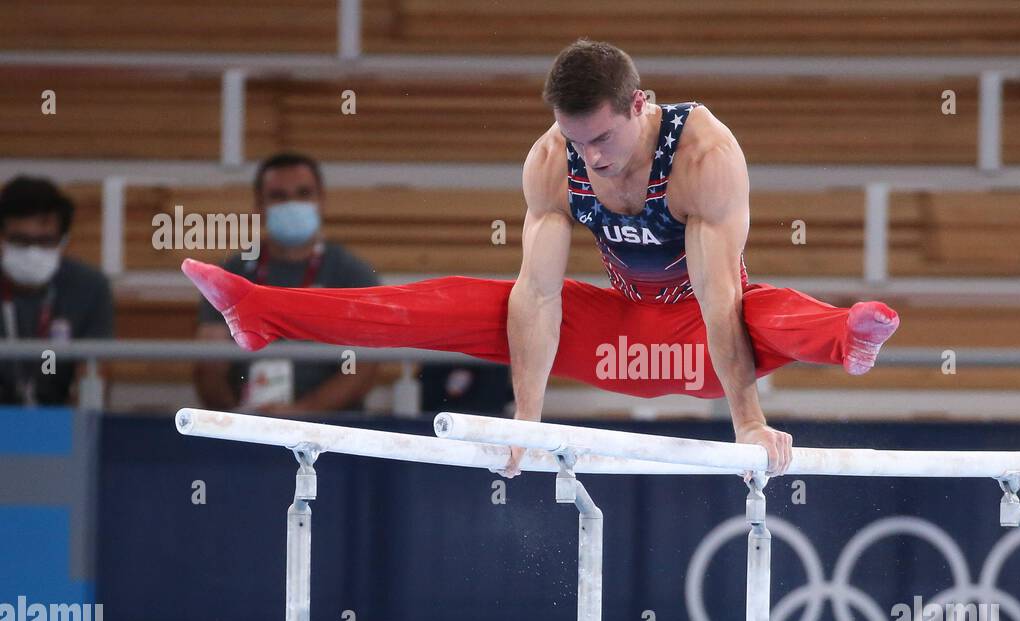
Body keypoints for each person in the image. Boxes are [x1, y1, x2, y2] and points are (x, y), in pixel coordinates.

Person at [183, 40, 899, 474]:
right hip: (616, 334)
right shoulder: (553, 159)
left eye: (603, 141)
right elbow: (540, 296)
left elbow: (717, 298)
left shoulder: (704, 156)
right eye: (575, 140)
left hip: (705, 340)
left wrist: (747, 422)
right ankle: (263, 312)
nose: (590, 158)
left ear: (638, 105)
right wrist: (528, 420)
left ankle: (848, 335)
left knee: (760, 309)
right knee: (479, 302)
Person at [193, 152, 380, 415]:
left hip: (331, 430)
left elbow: (364, 369)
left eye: (303, 193)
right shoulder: (230, 274)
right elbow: (209, 366)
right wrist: (238, 420)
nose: (292, 204)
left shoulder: (352, 274)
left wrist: (301, 413)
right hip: (246, 430)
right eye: (279, 196)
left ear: (321, 201)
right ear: (259, 205)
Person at [0, 176, 113, 406]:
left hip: (58, 422)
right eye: (20, 241)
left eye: (45, 241)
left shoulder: (89, 287)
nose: (32, 252)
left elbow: (94, 377)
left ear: (63, 241)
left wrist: (76, 432)